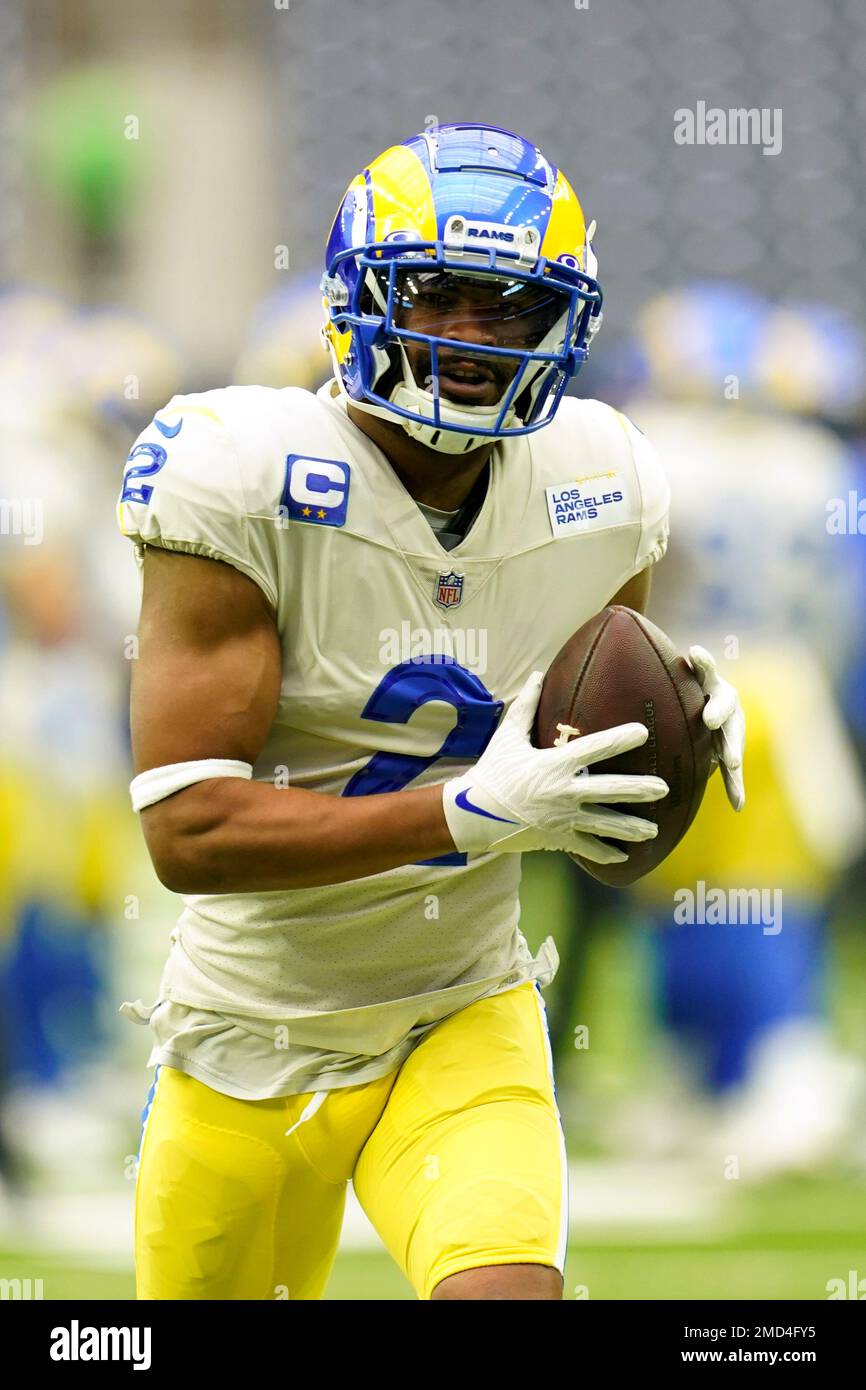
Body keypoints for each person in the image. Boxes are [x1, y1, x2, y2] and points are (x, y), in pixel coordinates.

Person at [118, 123, 744, 1301]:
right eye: (439, 295)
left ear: (556, 324)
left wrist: (672, 719)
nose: (467, 336)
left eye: (507, 305)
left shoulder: (598, 481)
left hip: (460, 1005)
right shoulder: (244, 472)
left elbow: (578, 757)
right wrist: (459, 815)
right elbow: (188, 831)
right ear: (361, 297)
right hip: (248, 1036)